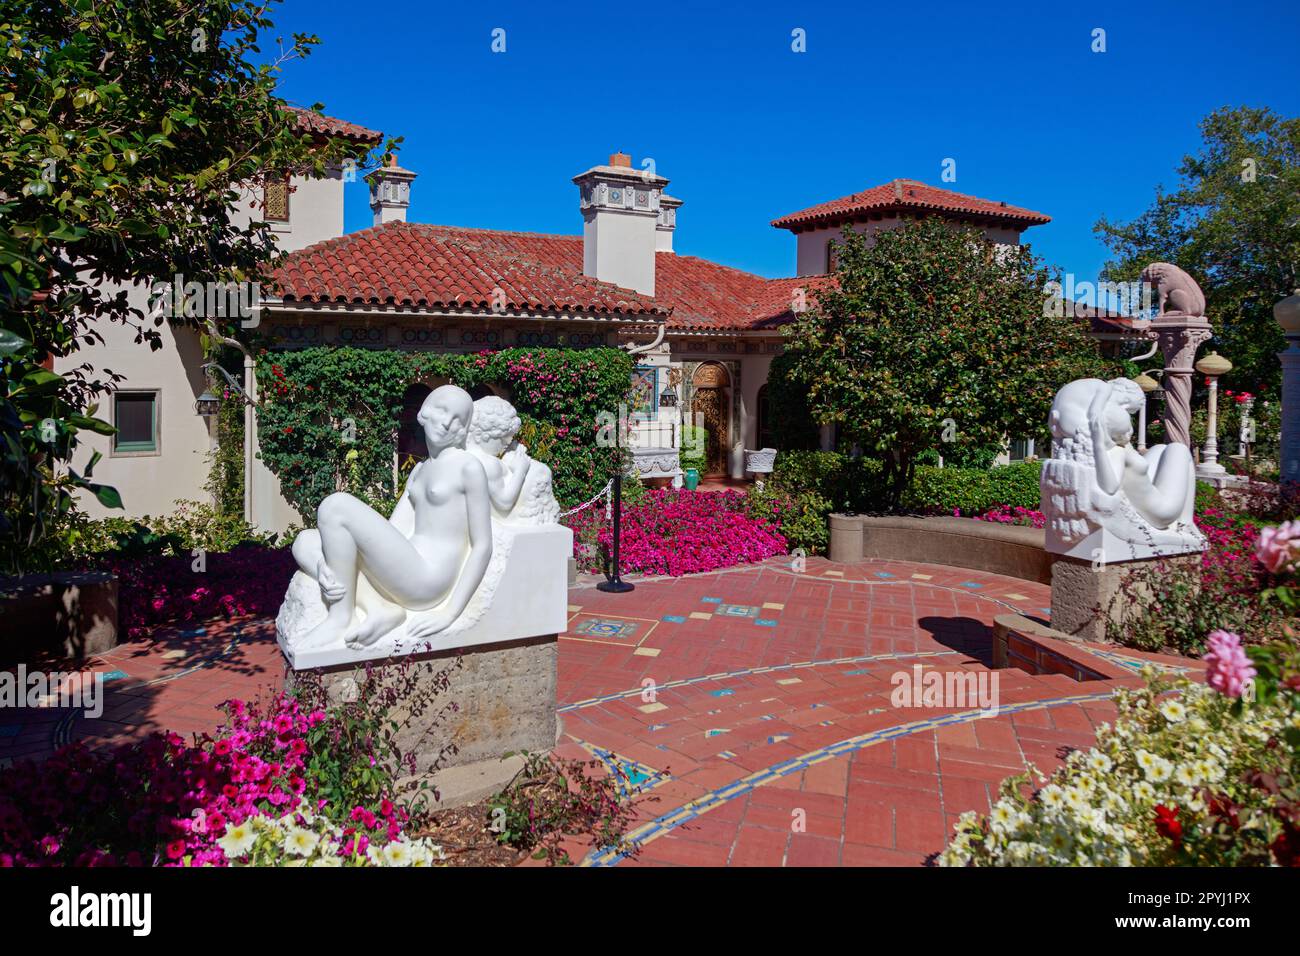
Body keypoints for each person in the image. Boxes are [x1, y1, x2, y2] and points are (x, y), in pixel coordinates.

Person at [290, 384, 493, 649]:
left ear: (463, 430)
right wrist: (325, 566)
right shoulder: (420, 471)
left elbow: (483, 546)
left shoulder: (468, 467)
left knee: (335, 506)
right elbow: (395, 529)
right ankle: (378, 609)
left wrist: (450, 613)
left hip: (428, 579)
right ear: (425, 413)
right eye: (443, 411)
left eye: (458, 420)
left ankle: (342, 618)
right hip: (406, 565)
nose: (447, 423)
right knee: (305, 542)